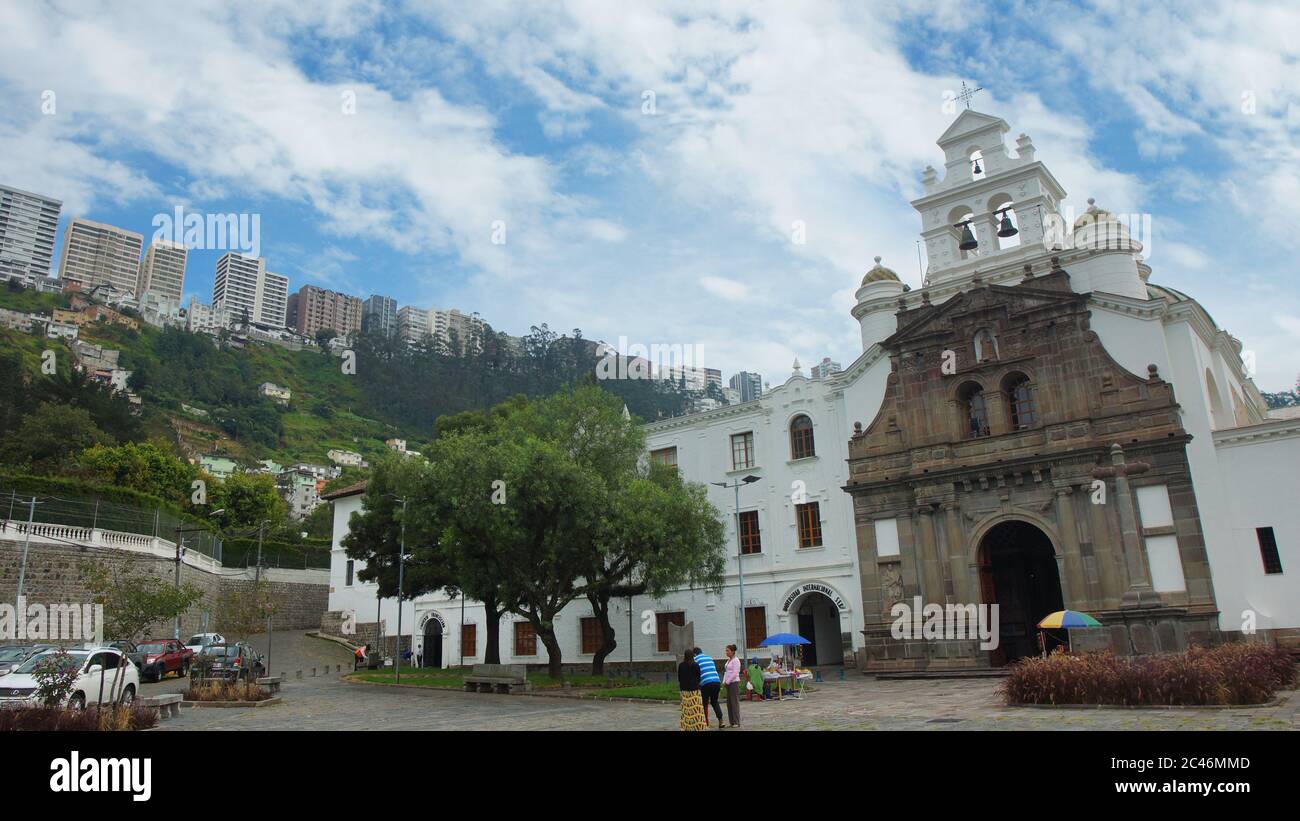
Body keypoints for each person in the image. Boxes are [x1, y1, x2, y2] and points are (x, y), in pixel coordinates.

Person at [693, 647, 723, 729]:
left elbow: (695, 673)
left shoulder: (695, 659)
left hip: (705, 683)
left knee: (704, 703)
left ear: (694, 654)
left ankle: (705, 723)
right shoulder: (709, 658)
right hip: (717, 681)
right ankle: (721, 720)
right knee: (714, 702)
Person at [677, 648, 705, 731]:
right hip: (695, 690)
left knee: (686, 710)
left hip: (684, 691)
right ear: (693, 655)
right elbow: (698, 677)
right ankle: (698, 726)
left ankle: (686, 727)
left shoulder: (681, 665)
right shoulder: (695, 665)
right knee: (696, 710)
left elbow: (679, 678)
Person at [722, 644, 742, 727]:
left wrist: (728, 681)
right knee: (729, 703)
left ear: (732, 651)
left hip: (734, 683)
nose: (726, 652)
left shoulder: (736, 660)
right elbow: (726, 672)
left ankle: (736, 722)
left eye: (728, 650)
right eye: (726, 650)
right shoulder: (728, 661)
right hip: (728, 683)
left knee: (734, 703)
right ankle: (732, 722)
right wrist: (724, 681)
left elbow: (735, 673)